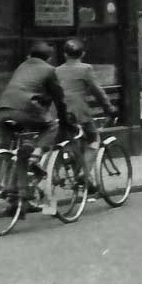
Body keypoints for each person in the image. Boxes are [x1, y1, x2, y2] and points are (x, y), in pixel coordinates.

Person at [0, 41, 72, 207]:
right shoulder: (49, 70)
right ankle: (36, 154)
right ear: (49, 58)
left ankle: (17, 196)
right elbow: (59, 98)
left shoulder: (21, 66)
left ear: (29, 55)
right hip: (24, 111)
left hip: (2, 111)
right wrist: (64, 120)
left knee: (17, 152)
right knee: (52, 126)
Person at [55, 38, 115, 187]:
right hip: (78, 113)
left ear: (65, 54)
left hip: (57, 113)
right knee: (94, 140)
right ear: (83, 54)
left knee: (62, 142)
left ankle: (57, 172)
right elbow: (98, 91)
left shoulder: (56, 71)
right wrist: (109, 109)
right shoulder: (85, 69)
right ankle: (84, 173)